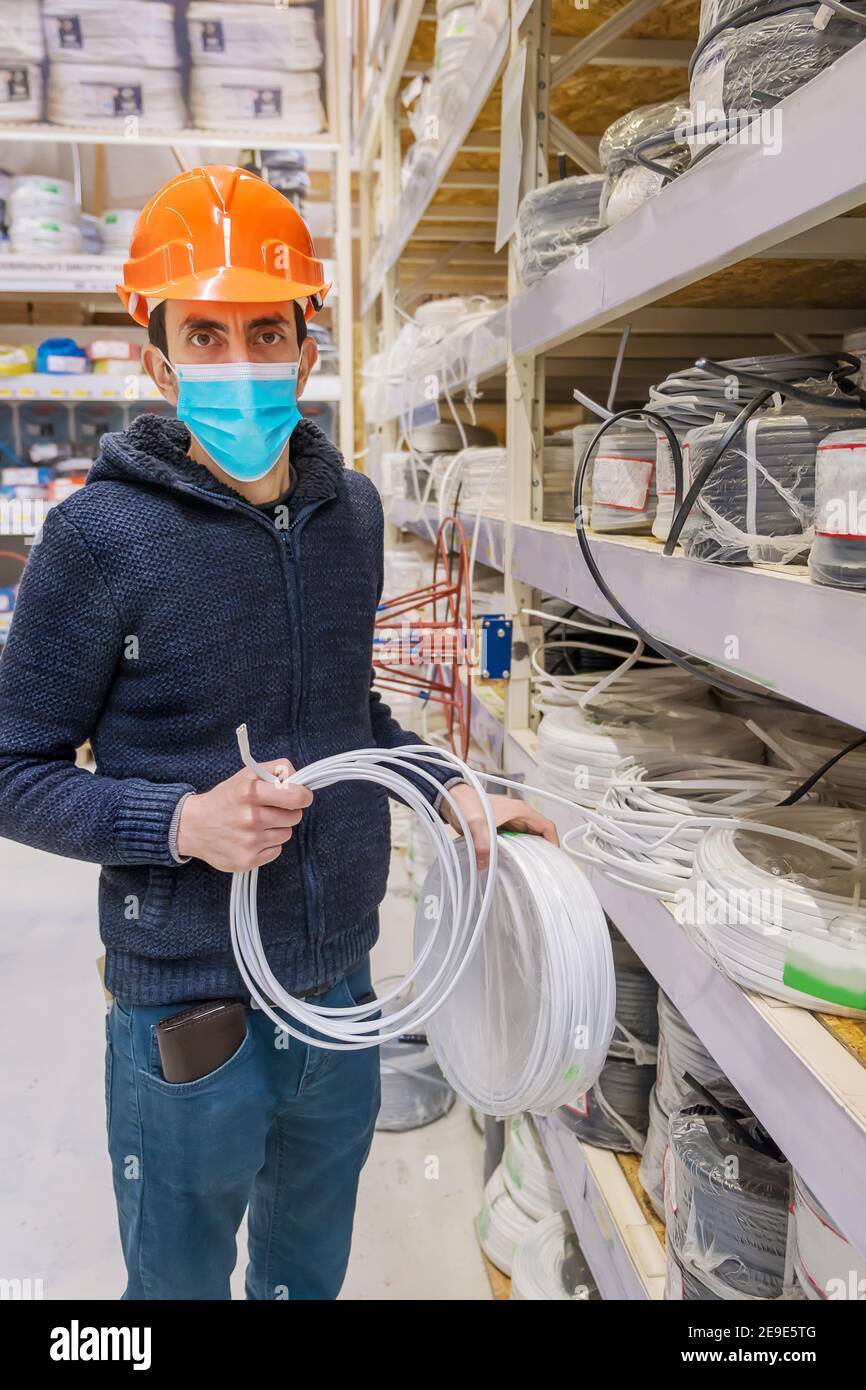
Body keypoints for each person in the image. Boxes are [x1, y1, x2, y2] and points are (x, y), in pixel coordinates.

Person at [0, 165, 557, 1301]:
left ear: (308, 342)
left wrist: (447, 786)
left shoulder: (347, 510)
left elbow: (351, 716)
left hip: (341, 989)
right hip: (188, 1003)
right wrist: (183, 822)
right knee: (179, 1283)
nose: (240, 361)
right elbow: (13, 770)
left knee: (307, 1271)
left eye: (267, 328)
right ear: (156, 356)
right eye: (205, 332)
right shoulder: (97, 539)